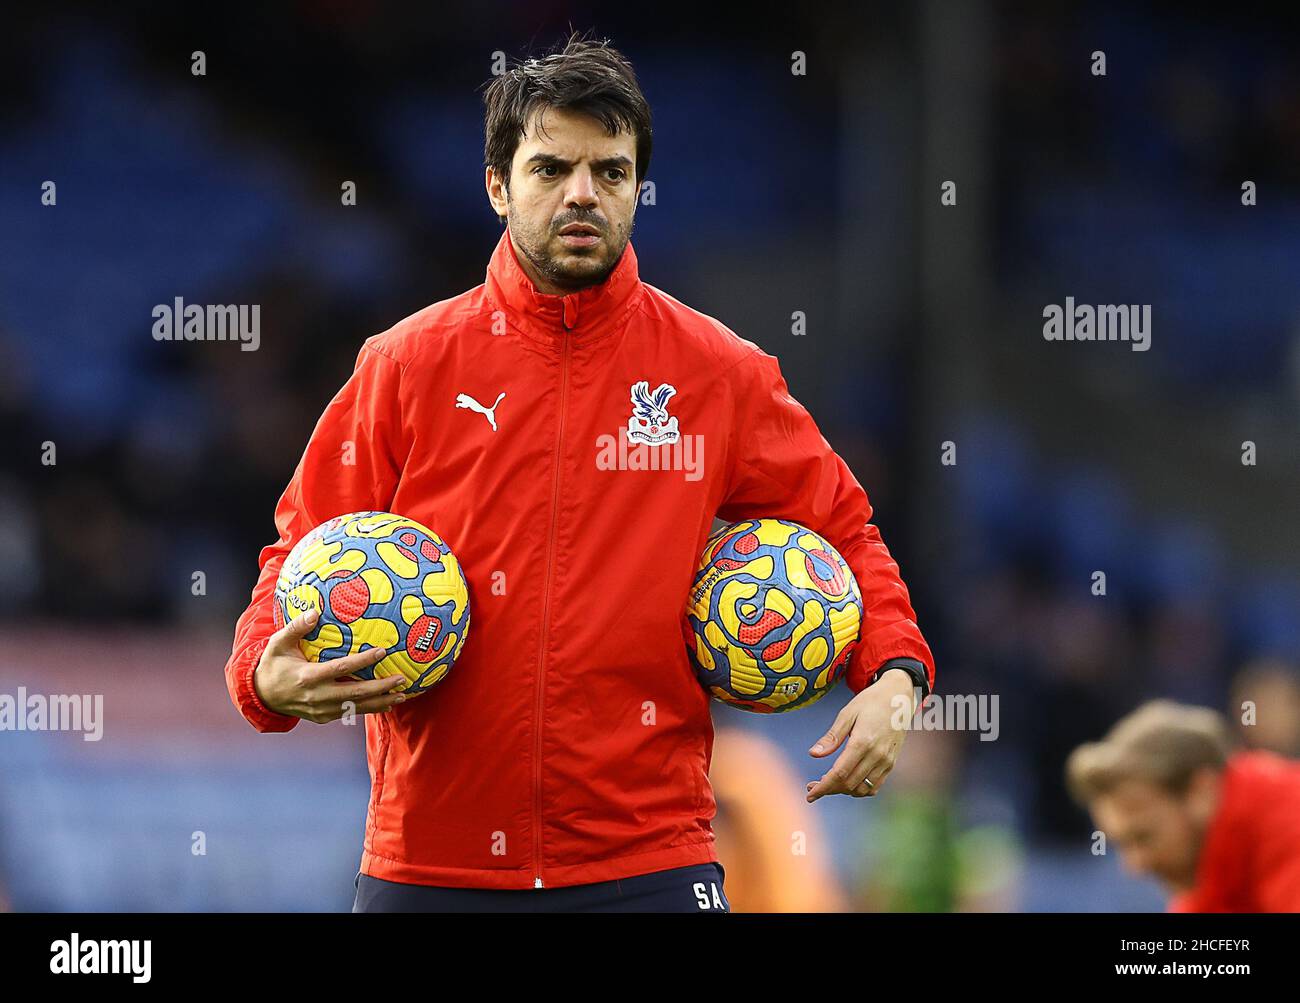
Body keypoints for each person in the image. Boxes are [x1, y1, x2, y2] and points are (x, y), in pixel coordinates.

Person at [223, 33, 934, 913]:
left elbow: (844, 528)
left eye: (611, 171)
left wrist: (895, 673)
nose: (582, 194)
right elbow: (298, 547)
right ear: (497, 185)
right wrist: (261, 674)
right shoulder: (404, 366)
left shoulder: (719, 372)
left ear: (638, 185)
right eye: (551, 168)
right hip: (430, 864)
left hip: (648, 862)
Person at [1066, 700, 1300, 912]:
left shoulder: (1289, 824)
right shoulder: (1208, 878)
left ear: (1201, 791)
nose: (1135, 866)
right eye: (1122, 844)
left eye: (1144, 837)